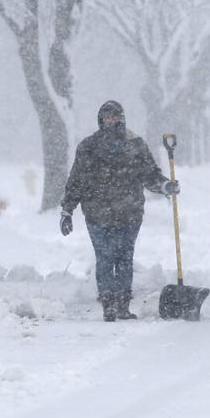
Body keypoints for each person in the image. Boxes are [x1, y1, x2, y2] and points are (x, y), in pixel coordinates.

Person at [59, 100, 179, 321]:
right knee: (105, 257)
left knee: (124, 258)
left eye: (114, 116)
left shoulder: (135, 145)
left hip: (129, 213)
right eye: (106, 117)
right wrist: (67, 210)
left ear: (121, 118)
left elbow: (149, 174)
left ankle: (123, 304)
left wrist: (164, 185)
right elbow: (76, 180)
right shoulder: (88, 146)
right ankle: (108, 305)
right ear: (100, 119)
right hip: (97, 214)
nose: (110, 120)